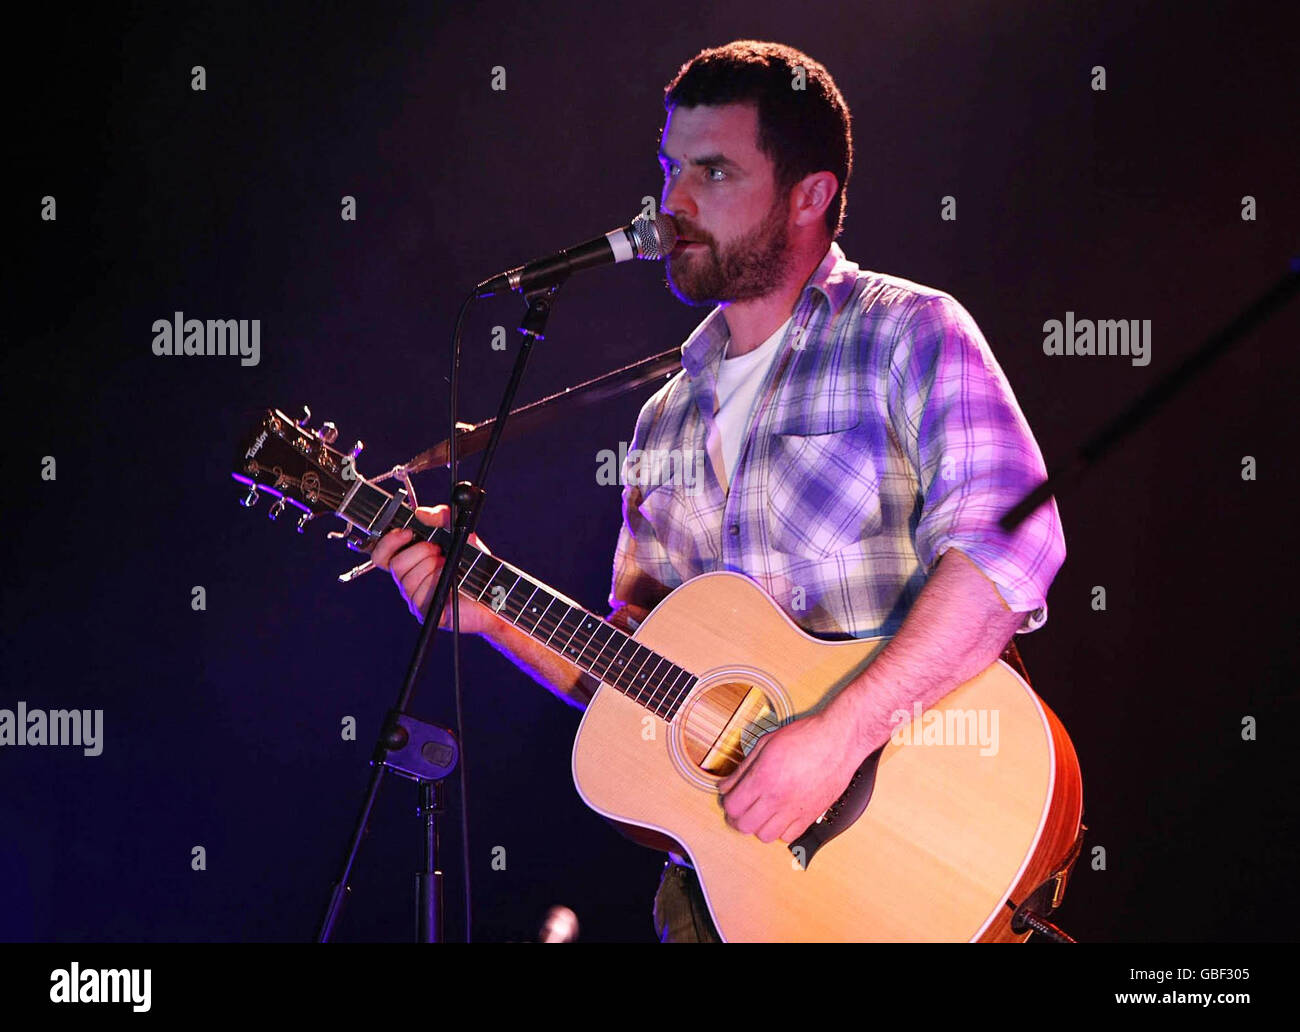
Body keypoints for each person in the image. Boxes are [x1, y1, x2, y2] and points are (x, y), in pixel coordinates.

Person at [371, 40, 1066, 942]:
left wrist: (839, 735)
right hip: (727, 896)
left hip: (912, 855)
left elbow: (1012, 554)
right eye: (671, 169)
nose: (675, 203)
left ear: (810, 195)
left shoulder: (909, 333)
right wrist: (493, 612)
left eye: (713, 171)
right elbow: (639, 676)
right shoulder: (662, 419)